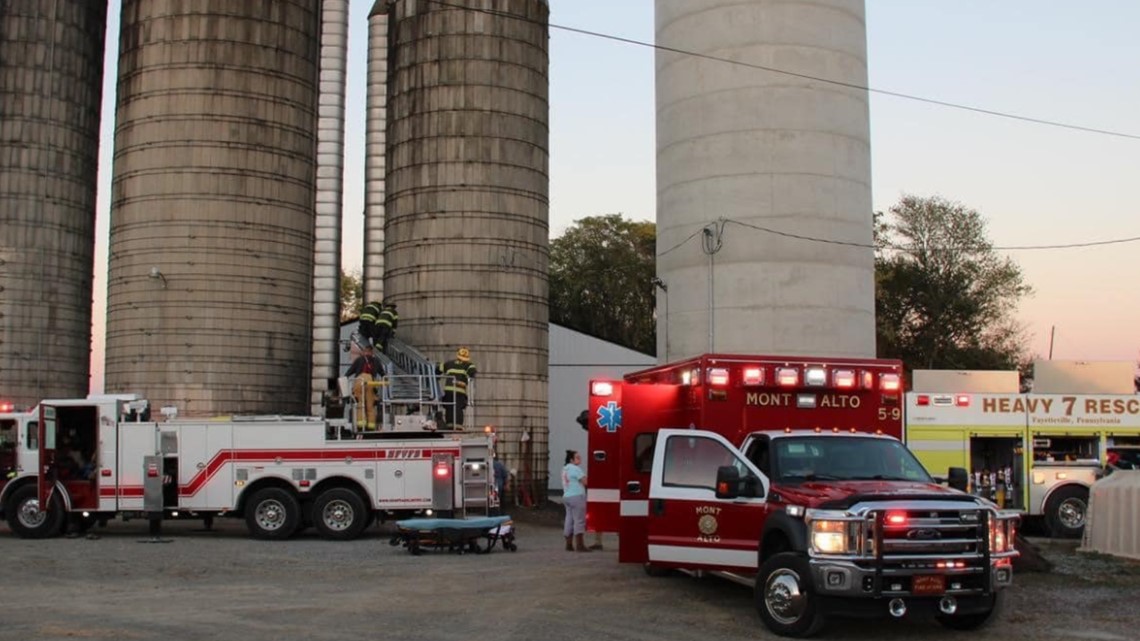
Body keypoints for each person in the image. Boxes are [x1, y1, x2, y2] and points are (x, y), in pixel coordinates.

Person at [346, 343, 385, 430]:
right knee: (370, 406)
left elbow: (350, 371)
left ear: (364, 351)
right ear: (372, 352)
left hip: (360, 382)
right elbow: (382, 373)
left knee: (360, 404)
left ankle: (361, 425)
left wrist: (344, 379)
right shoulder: (376, 361)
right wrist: (384, 381)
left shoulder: (359, 360)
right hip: (371, 383)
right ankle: (371, 426)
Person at [438, 347, 477, 429]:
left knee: (449, 408)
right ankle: (458, 427)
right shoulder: (468, 365)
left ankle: (449, 426)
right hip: (459, 391)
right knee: (458, 408)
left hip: (448, 391)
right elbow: (472, 372)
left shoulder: (449, 363)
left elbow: (438, 369)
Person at [562, 450, 589, 552]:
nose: (580, 459)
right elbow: (585, 482)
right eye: (577, 457)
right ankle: (580, 545)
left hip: (567, 496)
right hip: (577, 496)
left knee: (569, 519)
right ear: (571, 459)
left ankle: (568, 544)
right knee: (579, 520)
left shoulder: (565, 469)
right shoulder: (576, 469)